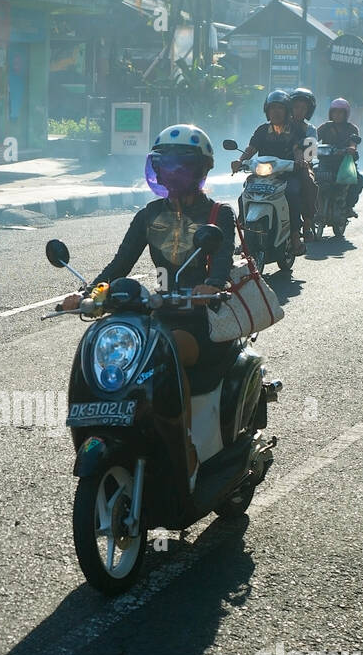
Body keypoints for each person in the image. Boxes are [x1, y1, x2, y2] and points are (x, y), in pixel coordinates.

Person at [59, 124, 236, 472]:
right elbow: (120, 264)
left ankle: (184, 444)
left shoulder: (219, 214)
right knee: (117, 361)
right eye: (165, 163)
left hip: (201, 318)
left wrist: (212, 286)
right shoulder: (148, 215)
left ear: (202, 168)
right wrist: (86, 294)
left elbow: (223, 261)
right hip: (160, 316)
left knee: (167, 359)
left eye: (183, 163)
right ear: (155, 168)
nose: (173, 171)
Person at [231, 89, 307, 254]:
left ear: (287, 111)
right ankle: (246, 236)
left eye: (280, 108)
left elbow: (298, 149)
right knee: (242, 196)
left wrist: (299, 160)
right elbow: (251, 149)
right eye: (272, 108)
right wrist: (240, 161)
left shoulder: (295, 130)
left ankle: (294, 236)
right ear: (267, 111)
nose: (276, 112)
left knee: (293, 194)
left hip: (286, 176)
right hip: (261, 175)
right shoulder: (262, 130)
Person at [315, 97, 363, 217]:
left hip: (345, 165)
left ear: (346, 114)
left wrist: (351, 148)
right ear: (330, 113)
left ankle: (348, 207)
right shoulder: (325, 127)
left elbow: (354, 143)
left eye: (340, 112)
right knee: (312, 179)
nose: (337, 115)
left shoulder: (352, 128)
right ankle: (313, 208)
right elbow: (313, 139)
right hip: (325, 164)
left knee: (359, 181)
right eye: (334, 112)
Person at [288, 87, 319, 238]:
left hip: (302, 167)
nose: (299, 111)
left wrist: (303, 159)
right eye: (296, 107)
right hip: (279, 166)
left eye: (303, 108)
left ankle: (307, 222)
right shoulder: (281, 124)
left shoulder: (310, 129)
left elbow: (311, 153)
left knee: (309, 182)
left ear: (308, 111)